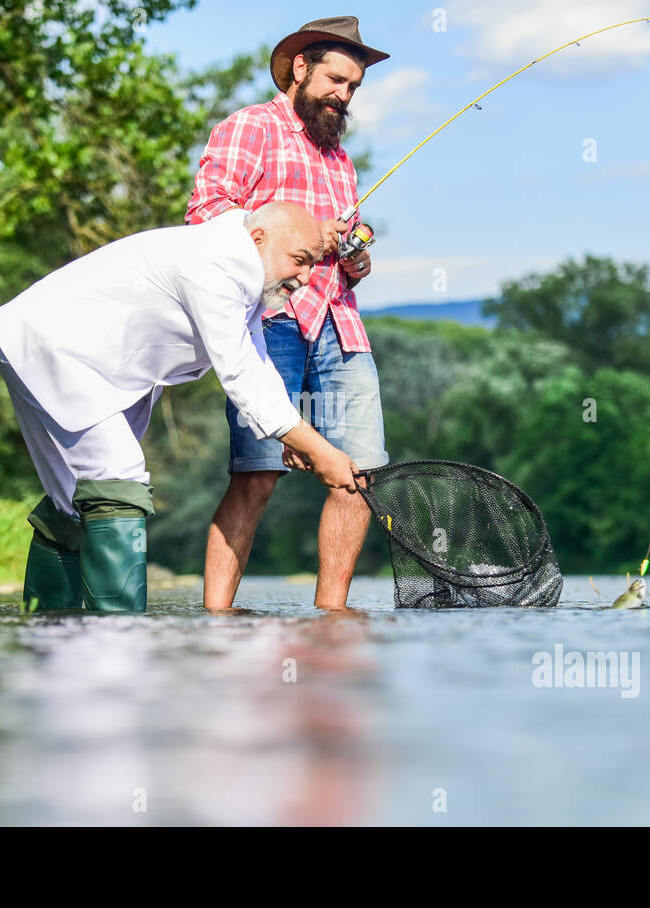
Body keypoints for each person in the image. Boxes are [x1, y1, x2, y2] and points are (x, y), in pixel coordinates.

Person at [0, 202, 360, 612]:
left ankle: (51, 639)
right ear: (258, 239)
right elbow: (239, 375)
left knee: (71, 508)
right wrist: (319, 449)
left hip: (63, 355)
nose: (307, 277)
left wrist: (294, 436)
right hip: (56, 350)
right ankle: (119, 639)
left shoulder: (240, 273)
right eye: (300, 260)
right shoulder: (216, 267)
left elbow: (258, 364)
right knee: (118, 476)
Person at [187, 16, 390, 611]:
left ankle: (333, 619)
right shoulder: (249, 128)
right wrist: (294, 229)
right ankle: (217, 619)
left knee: (358, 475)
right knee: (257, 474)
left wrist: (354, 251)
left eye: (353, 87)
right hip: (269, 320)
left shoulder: (340, 161)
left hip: (341, 324)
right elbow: (206, 214)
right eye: (335, 80)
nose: (343, 95)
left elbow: (347, 252)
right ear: (300, 68)